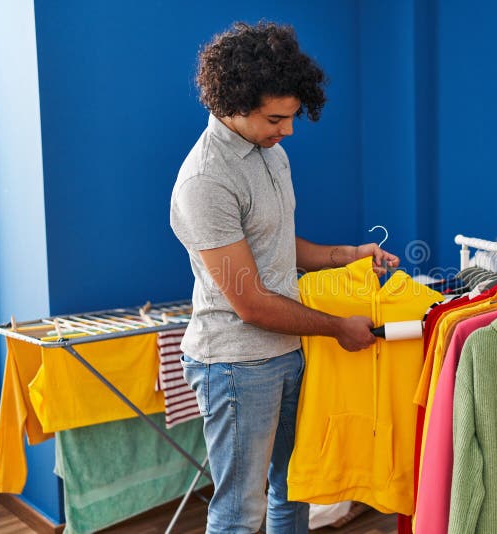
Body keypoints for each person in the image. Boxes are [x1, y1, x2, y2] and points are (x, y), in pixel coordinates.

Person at [170, 21, 400, 533]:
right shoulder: (207, 180)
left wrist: (348, 254)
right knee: (238, 512)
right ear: (234, 102)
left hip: (286, 351)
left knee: (294, 488)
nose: (288, 130)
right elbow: (249, 300)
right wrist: (339, 327)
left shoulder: (271, 153)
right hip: (235, 364)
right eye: (277, 118)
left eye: (292, 117)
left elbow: (272, 243)